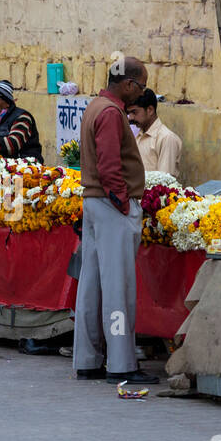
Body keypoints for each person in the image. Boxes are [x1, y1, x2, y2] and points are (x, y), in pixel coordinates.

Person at [73, 56, 157, 385]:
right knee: (118, 287)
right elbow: (110, 165)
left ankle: (88, 360)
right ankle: (121, 364)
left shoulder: (96, 106)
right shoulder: (111, 112)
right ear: (128, 84)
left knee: (92, 285)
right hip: (111, 206)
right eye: (141, 85)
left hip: (96, 203)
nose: (142, 92)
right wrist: (122, 202)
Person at [127, 88, 182, 174]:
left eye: (134, 112)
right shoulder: (139, 135)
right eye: (129, 113)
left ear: (150, 110)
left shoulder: (166, 138)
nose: (130, 117)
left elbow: (164, 180)